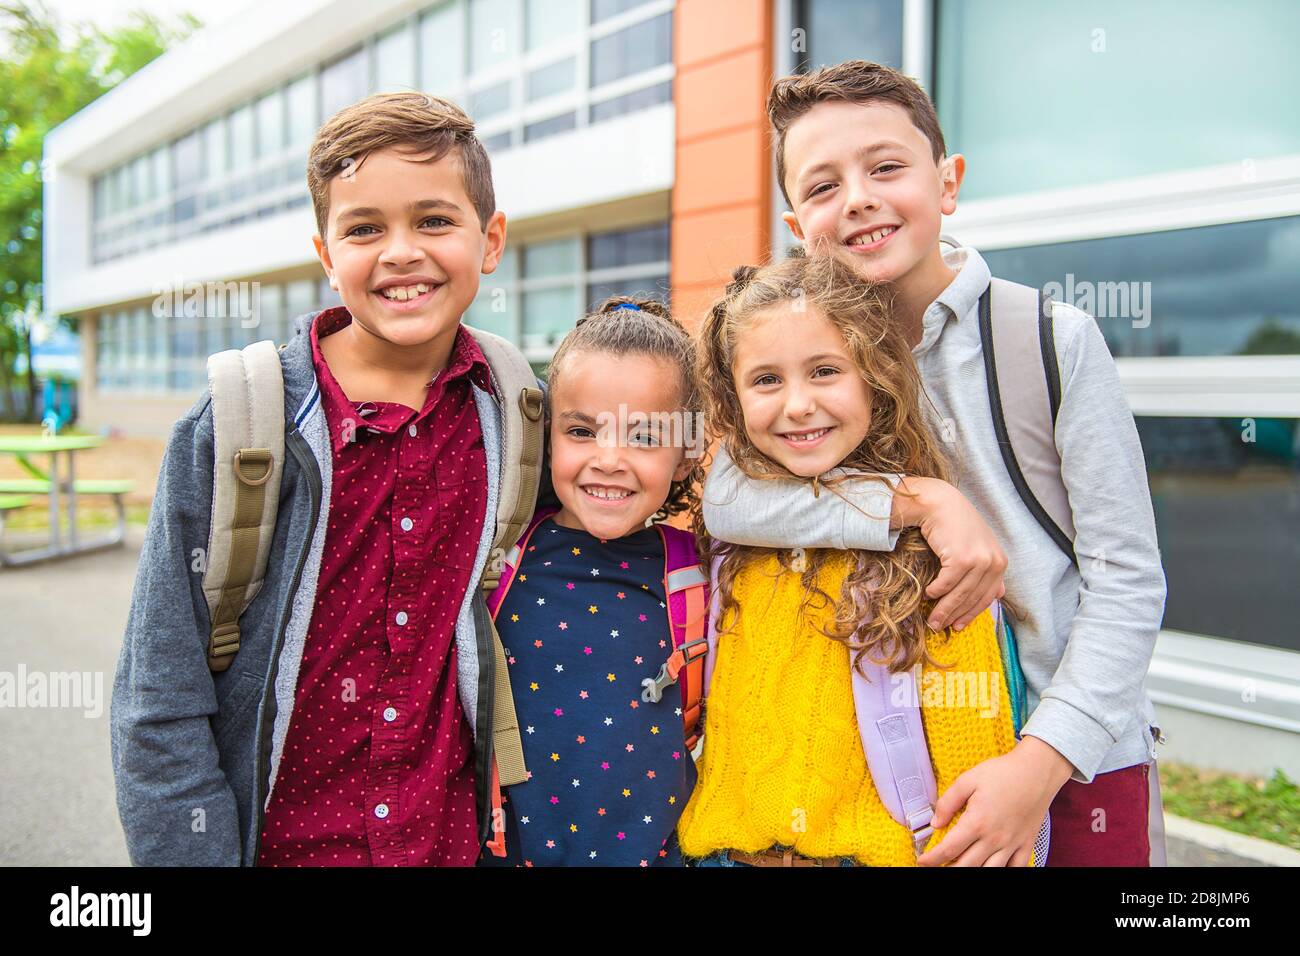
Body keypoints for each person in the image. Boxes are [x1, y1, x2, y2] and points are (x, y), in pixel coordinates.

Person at [703, 60, 1167, 866]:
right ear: (795, 227)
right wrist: (918, 503)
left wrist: (1040, 763)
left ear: (946, 182)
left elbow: (1127, 578)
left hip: (1070, 749)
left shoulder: (1053, 340)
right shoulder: (812, 358)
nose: (857, 198)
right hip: (904, 765)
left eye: (886, 167)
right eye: (822, 187)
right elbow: (730, 498)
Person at [110, 92, 537, 866]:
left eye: (435, 220)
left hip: (445, 846)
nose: (401, 251)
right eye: (364, 228)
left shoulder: (515, 414)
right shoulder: (240, 422)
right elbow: (157, 701)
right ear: (326, 254)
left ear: (491, 239)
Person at [677, 253, 1025, 867]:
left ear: (874, 377)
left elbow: (974, 754)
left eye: (825, 371)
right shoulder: (733, 551)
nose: (798, 405)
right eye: (765, 380)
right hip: (725, 854)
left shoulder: (934, 559)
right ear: (732, 400)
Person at [479, 297, 707, 867]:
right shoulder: (496, 559)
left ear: (685, 455)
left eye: (644, 437)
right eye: (582, 430)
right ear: (547, 436)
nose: (608, 459)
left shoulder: (700, 574)